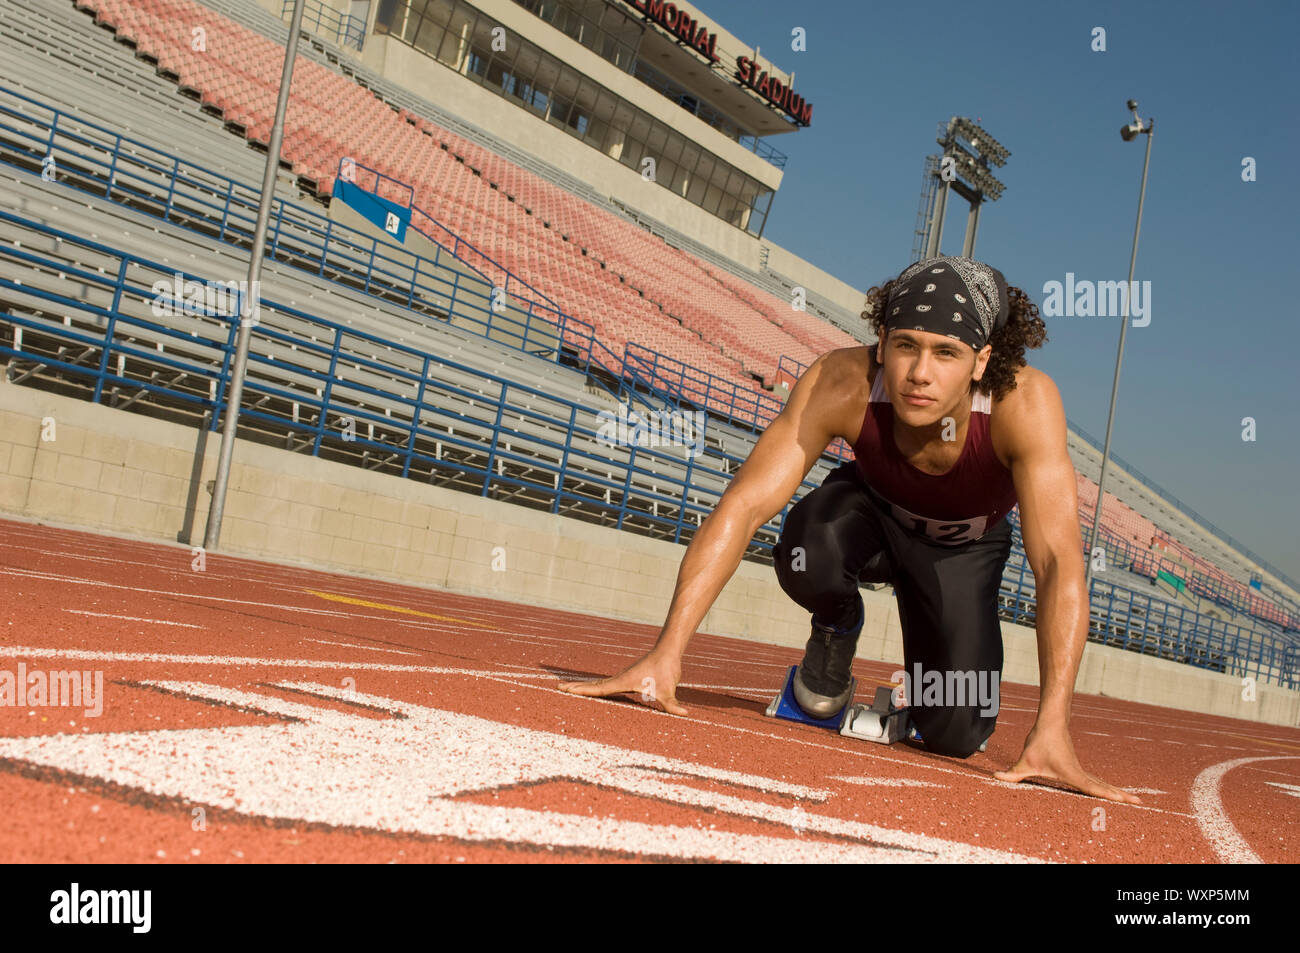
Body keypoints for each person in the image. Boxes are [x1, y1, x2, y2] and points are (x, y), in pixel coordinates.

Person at [560, 256, 1141, 805]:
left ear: (982, 363)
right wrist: (668, 653)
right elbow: (744, 504)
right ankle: (837, 630)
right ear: (882, 341)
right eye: (906, 346)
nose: (918, 374)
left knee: (957, 732)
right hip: (872, 514)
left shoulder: (1024, 404)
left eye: (946, 354)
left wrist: (1053, 727)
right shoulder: (843, 381)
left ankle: (918, 703)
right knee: (807, 548)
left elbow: (1060, 565)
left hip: (960, 551)